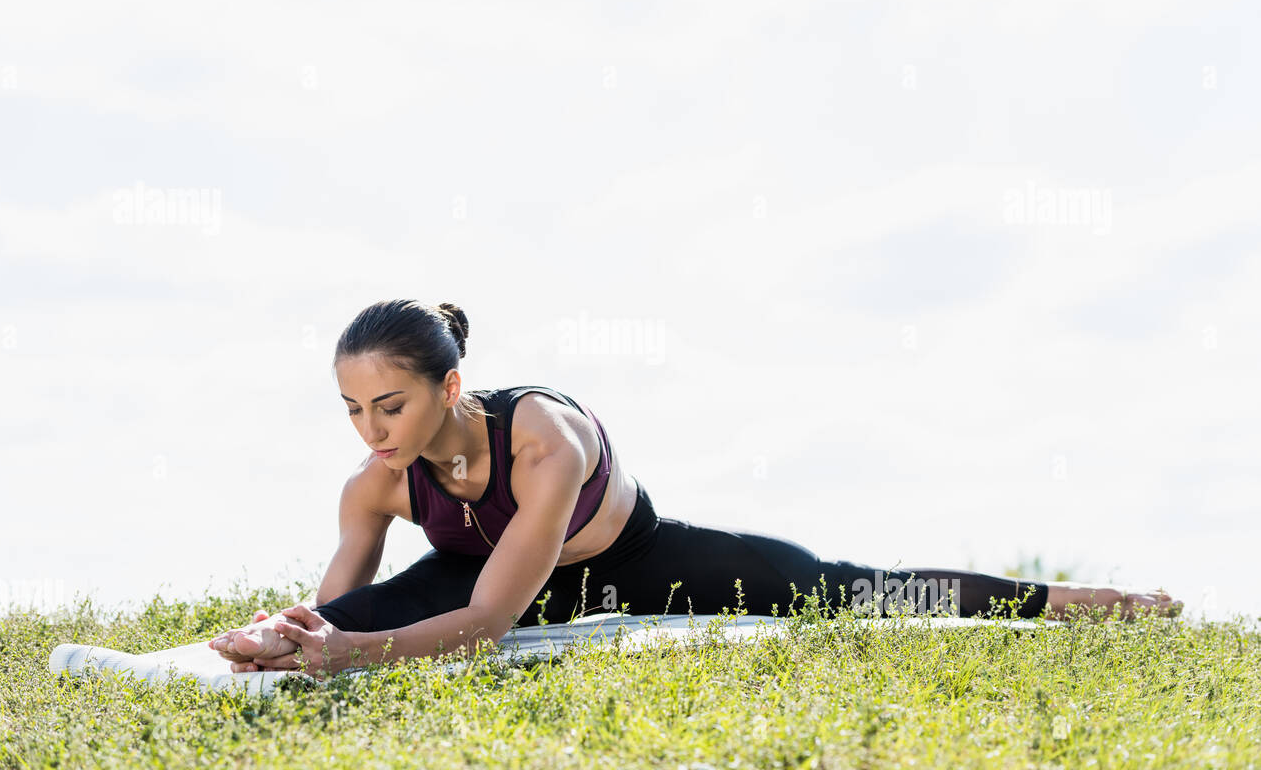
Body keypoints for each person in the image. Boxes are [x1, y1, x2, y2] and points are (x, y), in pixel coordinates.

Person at [209, 299, 1181, 677]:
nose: (372, 433)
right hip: (473, 565)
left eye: (390, 406)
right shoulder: (373, 489)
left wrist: (359, 653)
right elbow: (345, 603)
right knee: (349, 626)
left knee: (835, 588)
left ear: (449, 386)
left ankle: (1061, 602)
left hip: (632, 560)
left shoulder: (544, 439)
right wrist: (307, 633)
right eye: (351, 410)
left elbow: (497, 613)